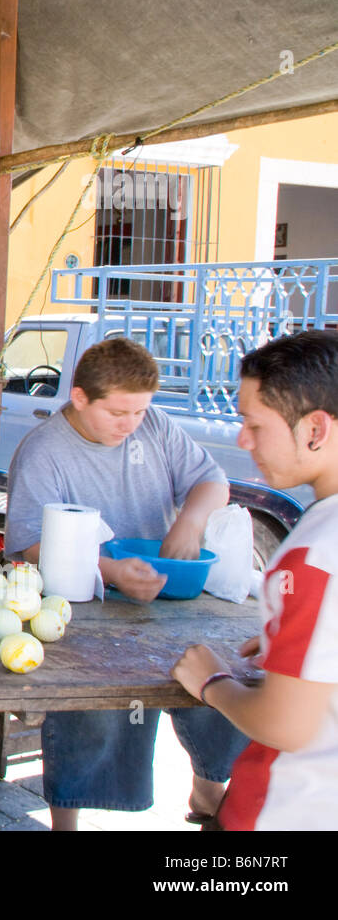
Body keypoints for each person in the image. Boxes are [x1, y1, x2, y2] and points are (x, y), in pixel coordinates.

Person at [5, 337, 246, 830]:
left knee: (217, 680)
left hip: (167, 591)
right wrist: (109, 571)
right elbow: (28, 543)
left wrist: (191, 521)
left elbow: (211, 480)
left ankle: (209, 793)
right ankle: (65, 823)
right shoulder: (44, 450)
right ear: (79, 399)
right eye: (119, 413)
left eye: (140, 411)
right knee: (88, 710)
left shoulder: (154, 426)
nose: (132, 423)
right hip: (82, 604)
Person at [172, 330, 338, 829]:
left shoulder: (317, 554)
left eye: (253, 422)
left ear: (315, 430)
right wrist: (291, 647)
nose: (242, 439)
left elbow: (284, 724)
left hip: (289, 811)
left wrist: (213, 682)